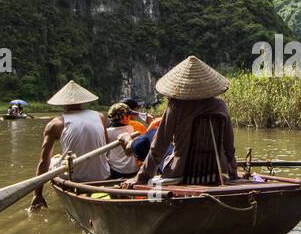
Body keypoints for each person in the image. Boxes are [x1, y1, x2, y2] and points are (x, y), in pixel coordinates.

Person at [126, 56, 239, 187]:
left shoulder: (175, 106)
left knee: (154, 139)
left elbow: (159, 145)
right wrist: (233, 170)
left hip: (181, 172)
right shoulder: (220, 106)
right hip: (218, 171)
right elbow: (229, 146)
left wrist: (141, 178)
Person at [30, 80, 111, 211]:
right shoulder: (100, 116)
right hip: (103, 175)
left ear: (62, 103)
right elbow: (106, 147)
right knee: (61, 158)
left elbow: (44, 161)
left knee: (54, 159)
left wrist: (37, 194)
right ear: (82, 101)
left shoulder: (55, 124)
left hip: (76, 180)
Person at [104, 102, 140, 178]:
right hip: (133, 170)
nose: (130, 117)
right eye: (128, 116)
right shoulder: (130, 128)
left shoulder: (107, 132)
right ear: (124, 118)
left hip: (116, 170)